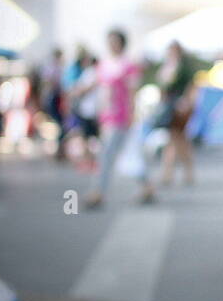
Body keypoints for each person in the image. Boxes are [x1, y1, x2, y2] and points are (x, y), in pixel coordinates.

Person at [85, 28, 154, 208]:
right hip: (107, 116)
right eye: (110, 41)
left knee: (108, 154)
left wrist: (131, 114)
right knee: (126, 154)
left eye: (115, 41)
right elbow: (96, 85)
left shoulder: (128, 65)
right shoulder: (105, 64)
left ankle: (99, 192)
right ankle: (147, 185)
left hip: (121, 116)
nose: (111, 45)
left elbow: (132, 91)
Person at [154, 40, 198, 187]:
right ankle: (176, 172)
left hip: (180, 106)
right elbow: (162, 86)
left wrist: (187, 102)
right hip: (169, 106)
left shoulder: (183, 68)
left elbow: (191, 87)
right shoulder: (167, 67)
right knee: (175, 139)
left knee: (177, 139)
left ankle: (174, 172)